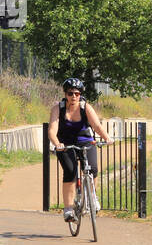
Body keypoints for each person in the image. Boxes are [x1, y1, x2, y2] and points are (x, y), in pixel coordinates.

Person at [48, 78, 112, 221]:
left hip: (85, 141)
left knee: (92, 169)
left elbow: (96, 126)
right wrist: (57, 143)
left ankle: (92, 198)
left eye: (77, 93)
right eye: (70, 93)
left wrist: (107, 138)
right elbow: (52, 130)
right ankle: (69, 209)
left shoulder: (85, 107)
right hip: (65, 143)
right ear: (65, 94)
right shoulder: (58, 109)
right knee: (70, 171)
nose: (74, 97)